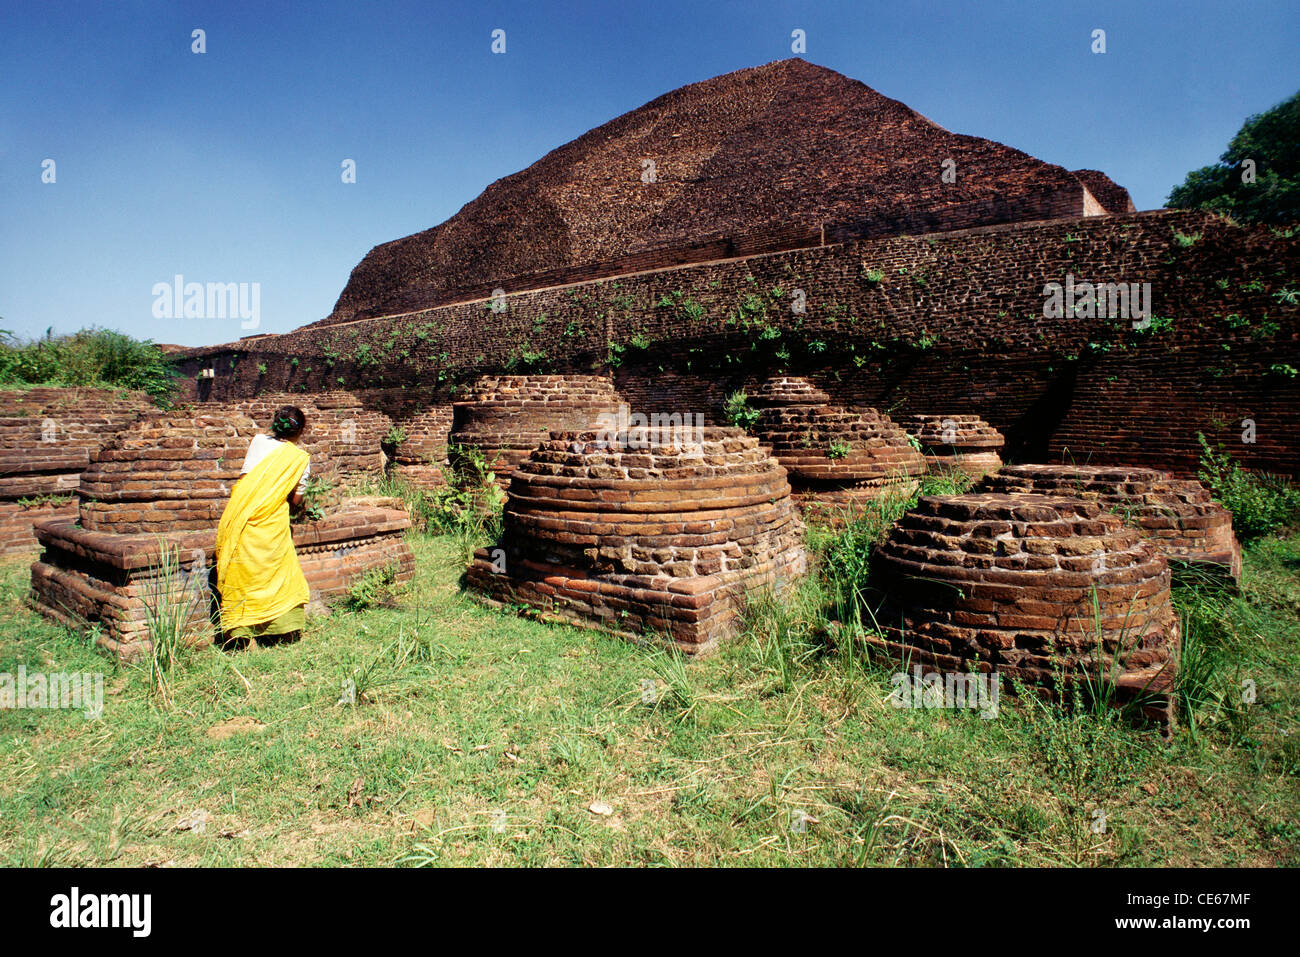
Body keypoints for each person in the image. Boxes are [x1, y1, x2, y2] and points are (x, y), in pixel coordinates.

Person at [214, 406, 312, 648]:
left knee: (241, 573)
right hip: (272, 523)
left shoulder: (258, 441)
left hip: (240, 515)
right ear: (300, 431)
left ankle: (241, 635)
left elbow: (246, 477)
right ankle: (282, 631)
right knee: (278, 574)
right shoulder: (299, 459)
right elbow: (296, 501)